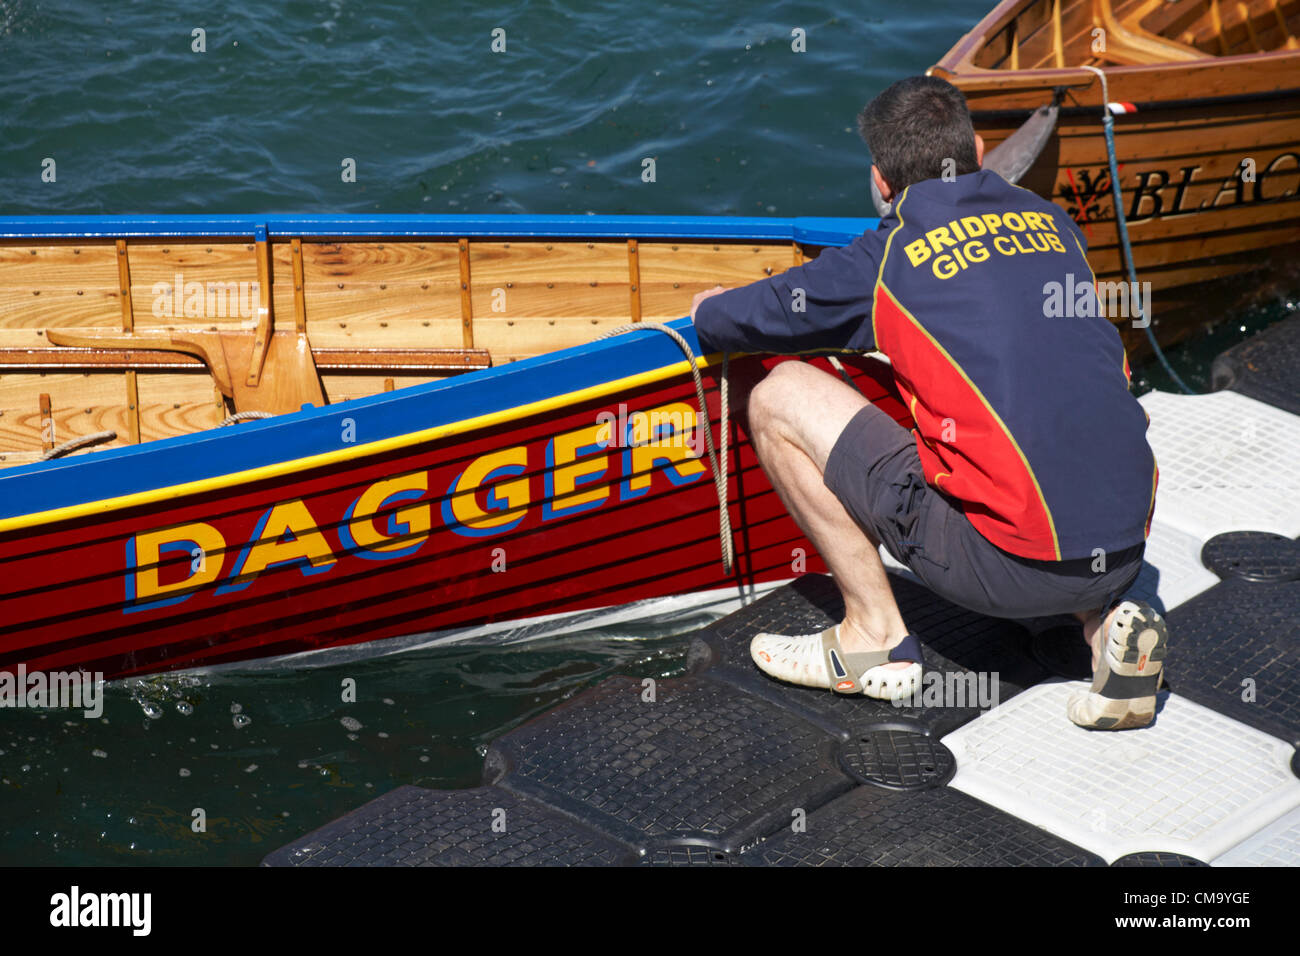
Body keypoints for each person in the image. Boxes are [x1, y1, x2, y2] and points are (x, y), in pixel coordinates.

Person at [690, 75, 1167, 730]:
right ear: (976, 145)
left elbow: (733, 324)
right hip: (1125, 547)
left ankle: (871, 639)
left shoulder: (887, 256)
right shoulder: (1055, 224)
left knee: (781, 396)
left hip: (1007, 570)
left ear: (881, 183)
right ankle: (1107, 623)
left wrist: (709, 307)